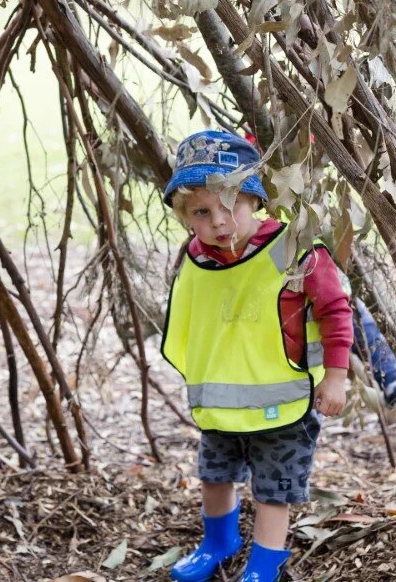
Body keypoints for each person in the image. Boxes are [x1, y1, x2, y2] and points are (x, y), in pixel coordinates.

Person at [161, 130, 353, 582]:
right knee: (214, 476)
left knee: (273, 489)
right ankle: (218, 543)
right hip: (222, 405)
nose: (219, 221)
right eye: (202, 212)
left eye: (231, 205)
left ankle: (265, 563)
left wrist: (336, 376)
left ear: (255, 201)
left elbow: (334, 309)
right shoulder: (195, 258)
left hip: (284, 404)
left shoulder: (293, 251)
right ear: (185, 217)